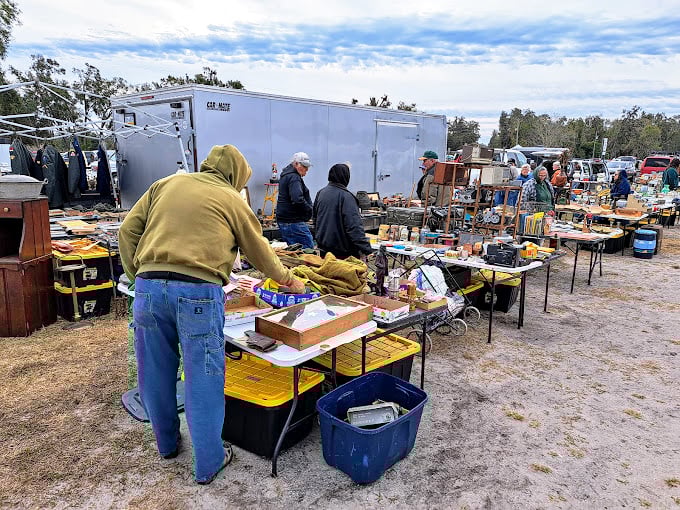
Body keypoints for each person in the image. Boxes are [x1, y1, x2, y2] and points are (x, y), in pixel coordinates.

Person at [119, 145, 305, 485]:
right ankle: (208, 462)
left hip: (148, 289)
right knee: (203, 377)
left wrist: (138, 276)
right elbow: (259, 250)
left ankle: (166, 446)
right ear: (237, 176)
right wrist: (288, 280)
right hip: (198, 293)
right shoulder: (231, 198)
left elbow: (127, 231)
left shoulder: (164, 185)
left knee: (155, 372)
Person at [313, 163, 373, 259]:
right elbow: (354, 226)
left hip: (324, 250)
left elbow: (315, 220)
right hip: (344, 253)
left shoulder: (321, 193)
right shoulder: (347, 197)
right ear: (345, 177)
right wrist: (366, 249)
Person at [276, 152, 314, 248]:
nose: (307, 169)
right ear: (296, 164)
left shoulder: (286, 175)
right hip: (293, 221)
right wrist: (309, 210)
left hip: (285, 220)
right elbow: (297, 199)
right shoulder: (294, 177)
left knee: (294, 252)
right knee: (308, 250)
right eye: (304, 166)